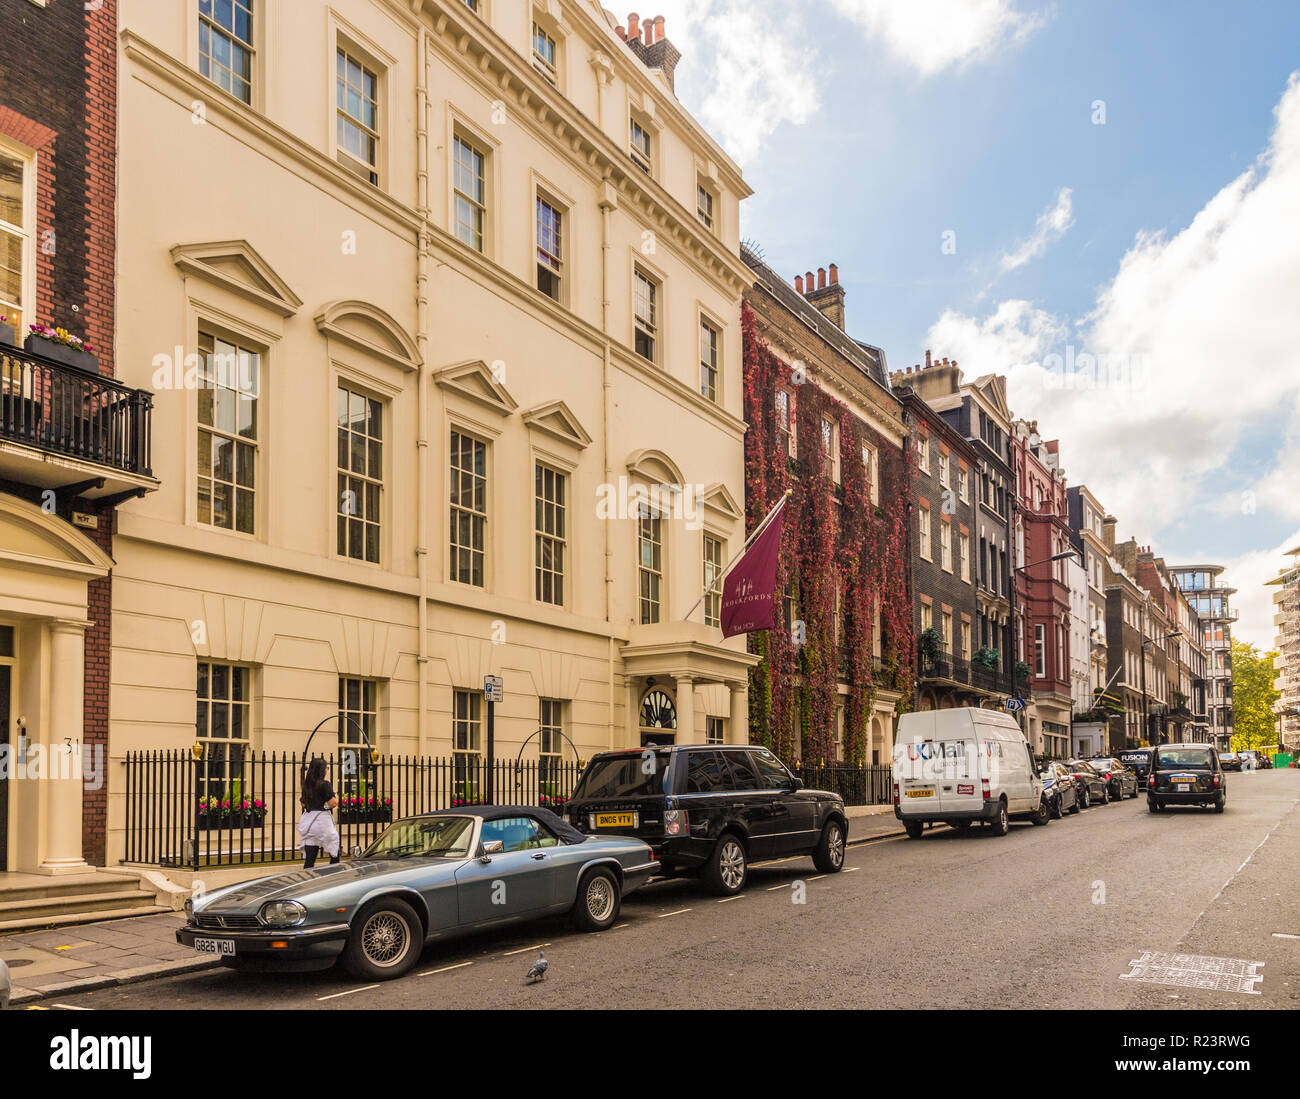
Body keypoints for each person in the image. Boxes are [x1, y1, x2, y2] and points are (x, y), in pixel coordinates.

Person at [298, 757, 340, 869]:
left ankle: (307, 880)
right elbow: (333, 803)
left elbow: (303, 803)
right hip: (323, 821)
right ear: (322, 770)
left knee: (310, 859)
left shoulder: (306, 785)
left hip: (309, 823)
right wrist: (333, 798)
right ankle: (335, 876)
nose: (327, 770)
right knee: (334, 852)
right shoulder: (325, 784)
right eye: (327, 768)